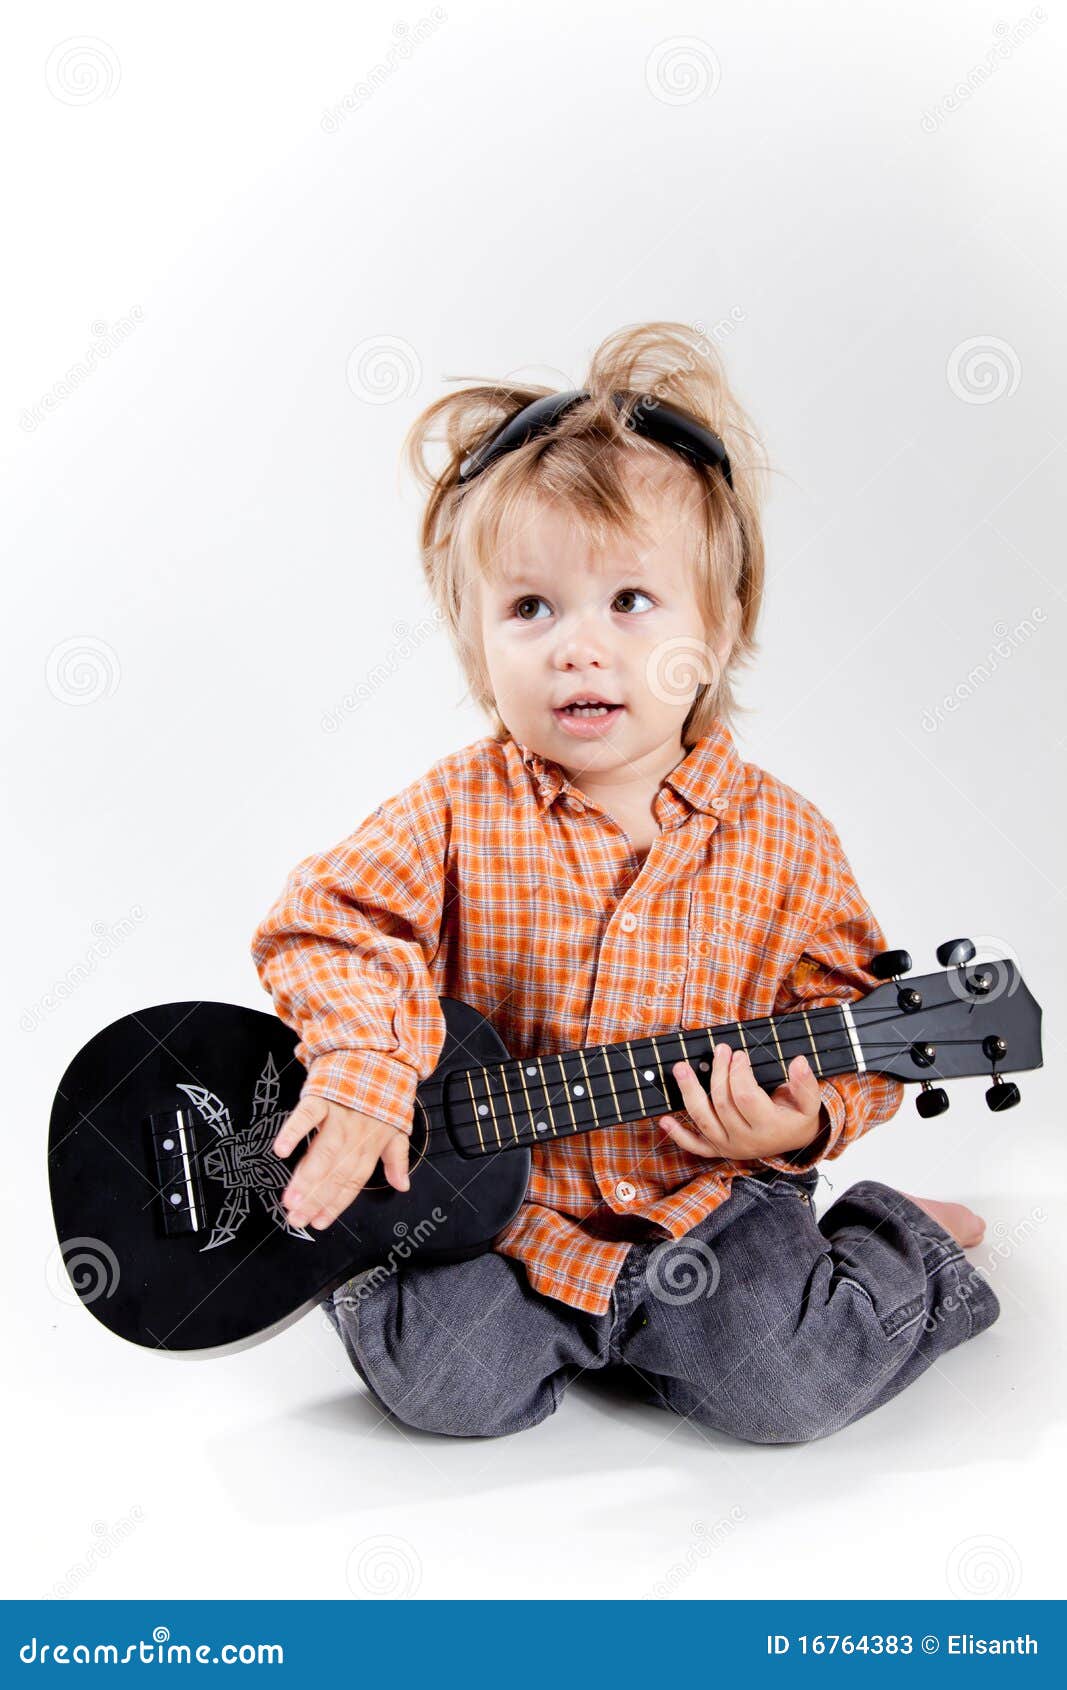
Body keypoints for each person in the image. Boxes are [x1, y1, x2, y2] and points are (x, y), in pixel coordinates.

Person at [249, 320, 998, 1442]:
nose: (577, 648)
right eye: (529, 608)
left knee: (788, 1386)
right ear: (474, 645)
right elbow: (321, 922)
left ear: (720, 625)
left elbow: (845, 1013)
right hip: (500, 1214)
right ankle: (351, 1246)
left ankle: (900, 1241)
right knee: (443, 1384)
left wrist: (800, 1122)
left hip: (702, 1208)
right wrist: (362, 1064)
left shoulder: (785, 840)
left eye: (630, 603)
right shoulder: (458, 804)